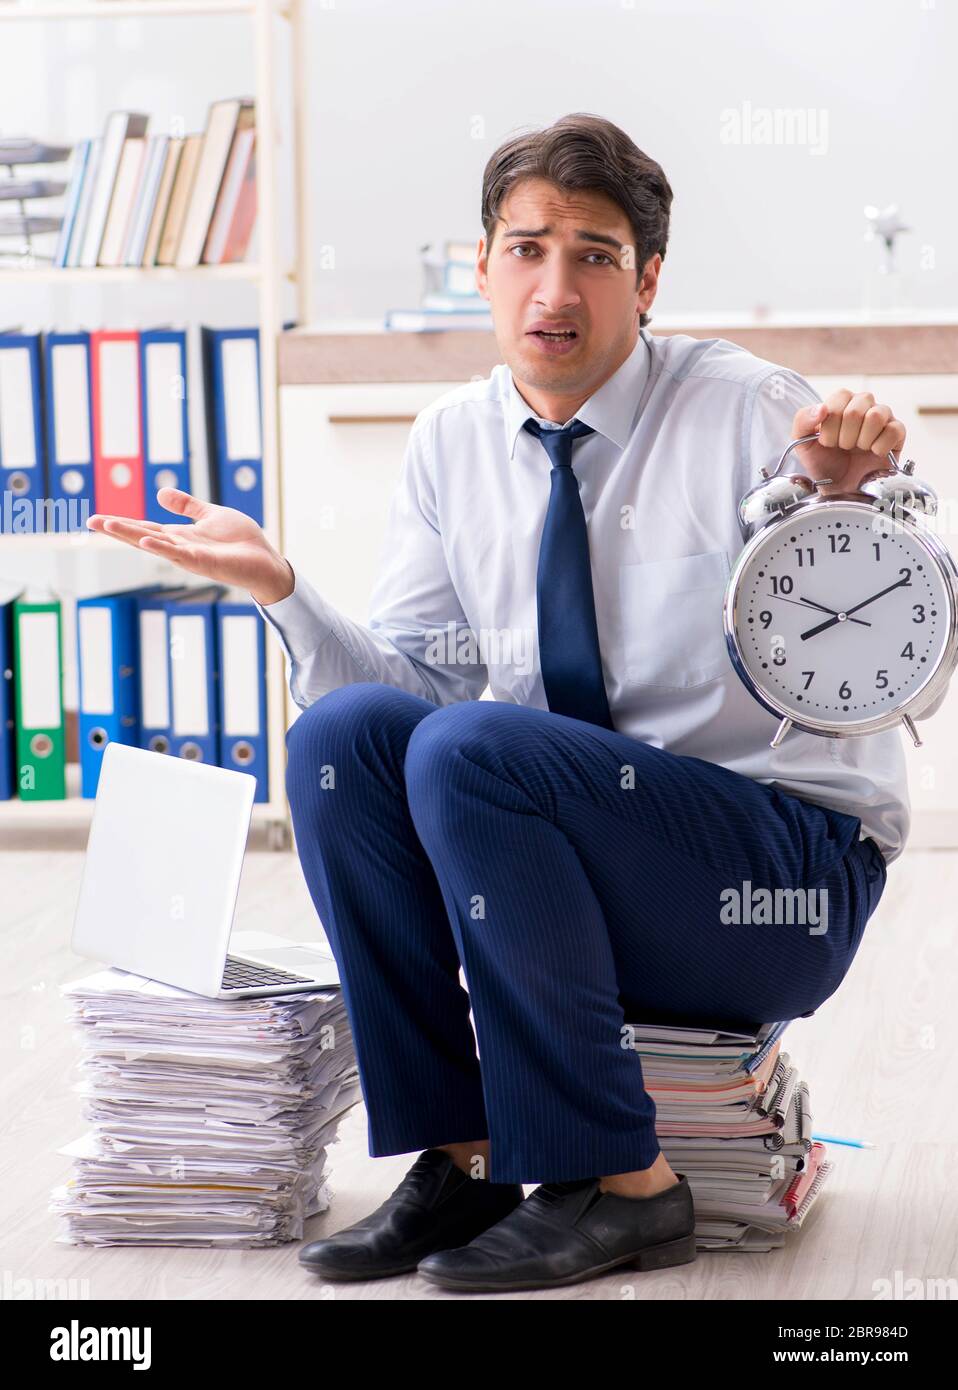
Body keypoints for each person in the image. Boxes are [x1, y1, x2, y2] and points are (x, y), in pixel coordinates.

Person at [88, 111, 926, 1295]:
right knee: (343, 735)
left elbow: (897, 612)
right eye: (526, 248)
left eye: (593, 253)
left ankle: (622, 1183)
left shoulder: (747, 410)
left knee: (475, 746)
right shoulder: (451, 444)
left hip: (777, 878)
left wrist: (851, 494)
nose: (555, 285)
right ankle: (466, 1151)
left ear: (646, 281)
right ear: (480, 267)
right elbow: (413, 702)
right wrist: (281, 587)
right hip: (579, 872)